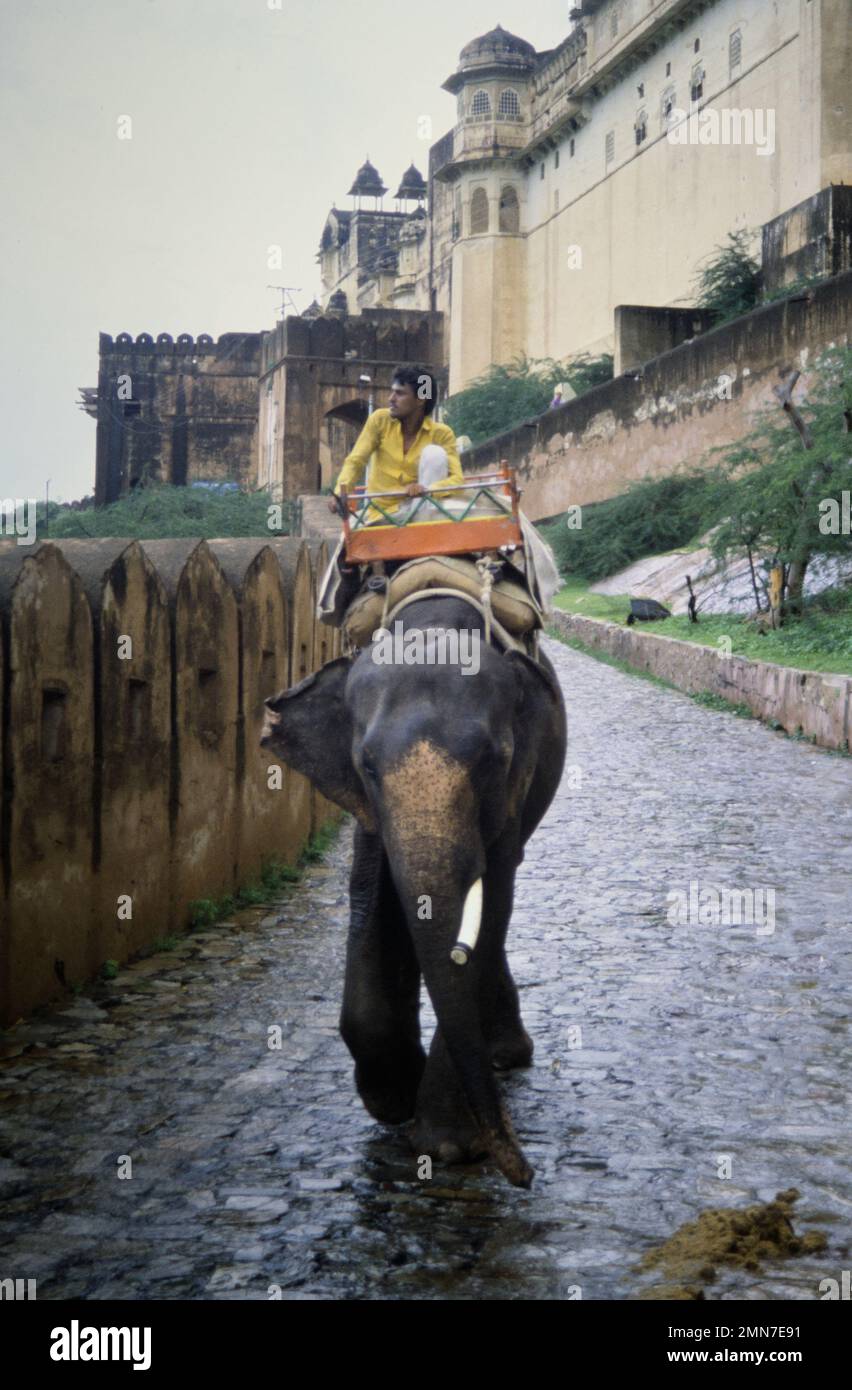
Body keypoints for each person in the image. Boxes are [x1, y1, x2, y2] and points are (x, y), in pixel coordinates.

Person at [327, 365, 462, 523]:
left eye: (399, 393)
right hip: (379, 513)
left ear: (420, 399)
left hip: (418, 511)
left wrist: (426, 490)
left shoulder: (442, 434)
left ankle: (424, 526)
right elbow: (356, 461)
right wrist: (341, 492)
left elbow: (457, 480)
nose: (391, 398)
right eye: (392, 392)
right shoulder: (380, 420)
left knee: (435, 454)